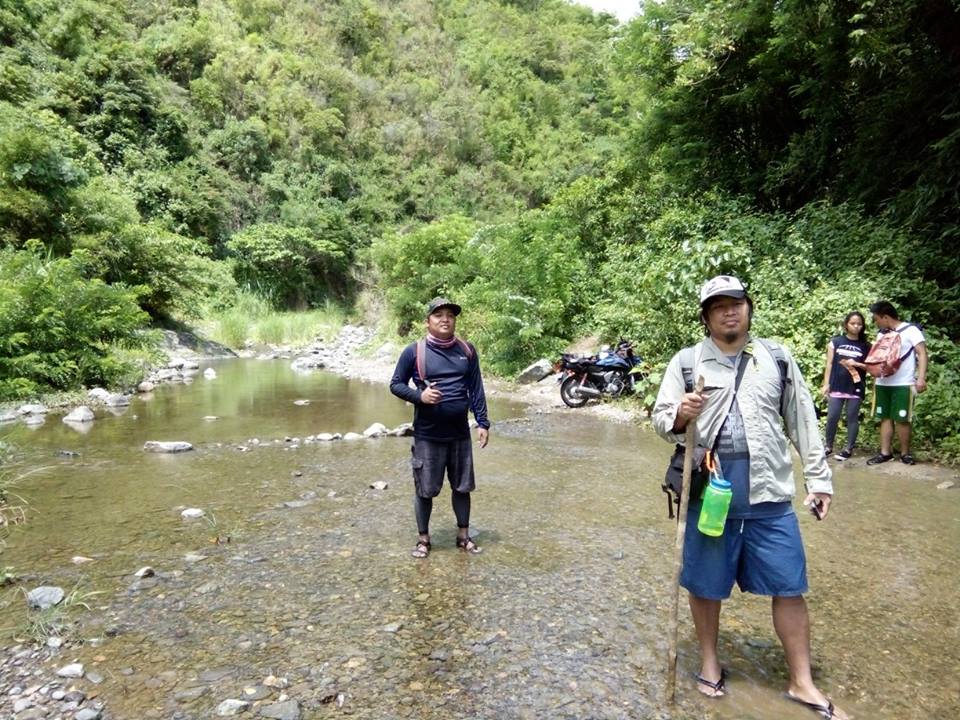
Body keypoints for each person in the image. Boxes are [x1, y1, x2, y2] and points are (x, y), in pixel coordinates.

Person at [652, 275, 847, 720]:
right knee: (704, 585)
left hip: (770, 492)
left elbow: (802, 421)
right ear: (705, 317)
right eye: (718, 306)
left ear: (748, 307)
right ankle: (709, 662)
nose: (729, 311)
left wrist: (819, 479)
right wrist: (680, 414)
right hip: (709, 491)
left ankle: (802, 681)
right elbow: (661, 421)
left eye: (736, 303)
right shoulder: (686, 363)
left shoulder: (775, 358)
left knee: (790, 584)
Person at [390, 297, 490, 558]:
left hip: (459, 434)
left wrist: (482, 422)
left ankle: (463, 536)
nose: (445, 319)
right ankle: (423, 540)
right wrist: (419, 397)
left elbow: (476, 388)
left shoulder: (467, 350)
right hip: (428, 435)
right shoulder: (414, 351)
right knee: (425, 490)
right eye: (438, 315)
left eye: (450, 315)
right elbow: (396, 384)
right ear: (428, 322)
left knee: (462, 487)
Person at [864, 301, 927, 465]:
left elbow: (922, 353)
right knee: (884, 417)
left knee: (902, 418)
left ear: (885, 317)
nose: (875, 322)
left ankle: (905, 453)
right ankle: (885, 452)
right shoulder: (881, 334)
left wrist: (920, 378)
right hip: (883, 383)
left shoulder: (911, 331)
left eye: (876, 319)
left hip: (904, 383)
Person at [819, 311, 871, 460]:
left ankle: (848, 449)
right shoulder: (835, 342)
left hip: (856, 386)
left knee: (852, 417)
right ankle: (828, 446)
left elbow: (870, 367)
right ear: (846, 325)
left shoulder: (866, 346)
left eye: (859, 324)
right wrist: (826, 383)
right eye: (853, 323)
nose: (856, 326)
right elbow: (829, 364)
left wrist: (857, 364)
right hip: (836, 385)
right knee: (832, 416)